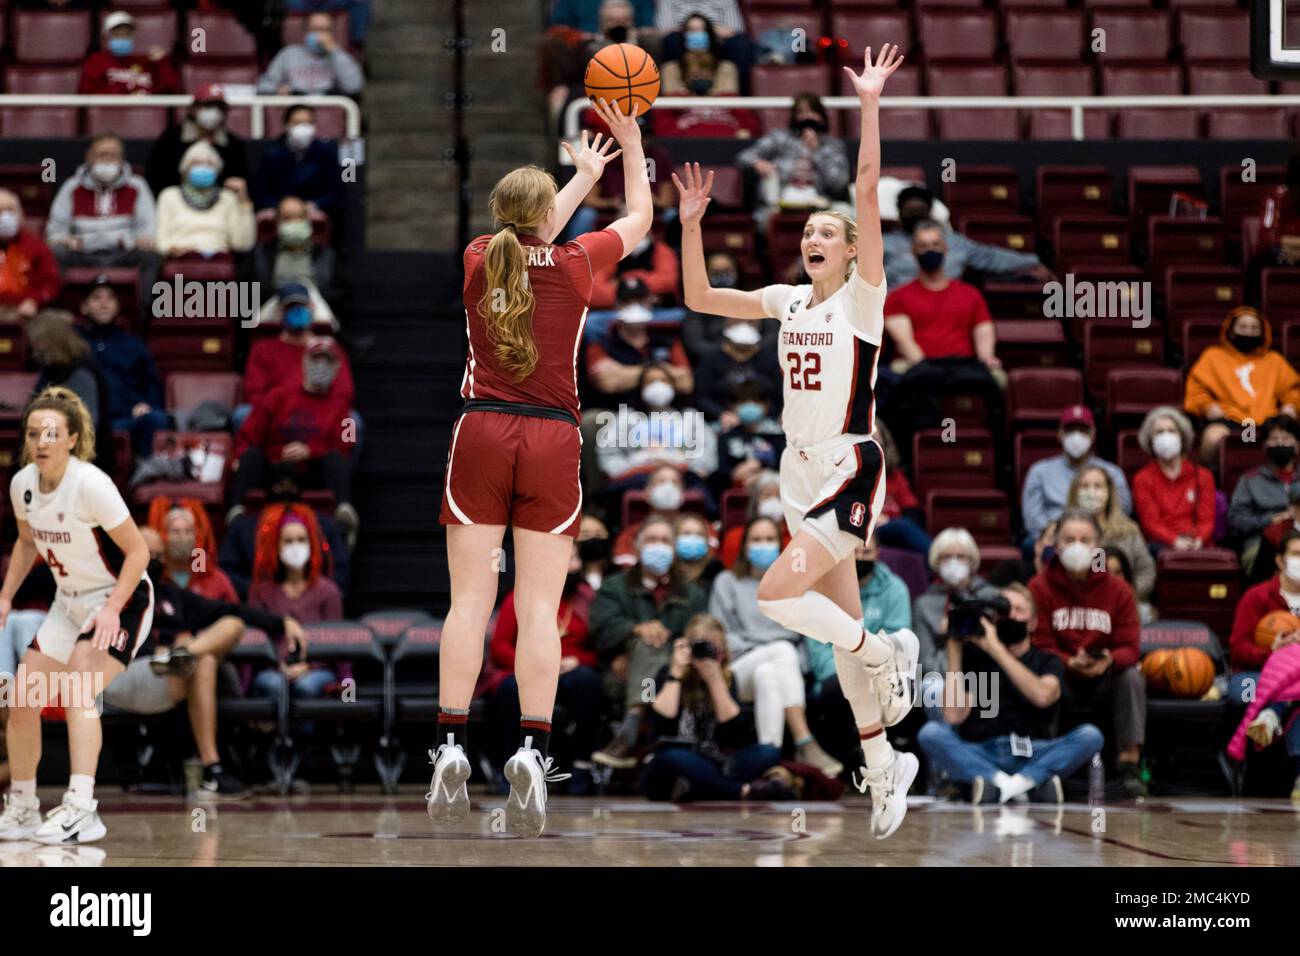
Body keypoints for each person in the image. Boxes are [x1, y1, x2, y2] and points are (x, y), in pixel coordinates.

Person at [674, 45, 921, 840]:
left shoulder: (864, 300)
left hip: (851, 463)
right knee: (837, 638)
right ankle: (884, 764)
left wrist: (871, 104)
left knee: (779, 597)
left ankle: (888, 651)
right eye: (807, 230)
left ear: (851, 249)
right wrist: (689, 227)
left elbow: (861, 190)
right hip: (796, 474)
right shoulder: (785, 300)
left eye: (828, 231)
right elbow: (700, 295)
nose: (813, 236)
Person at [431, 99, 651, 838]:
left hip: (481, 430)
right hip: (554, 437)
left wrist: (573, 179)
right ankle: (533, 747)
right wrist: (624, 148)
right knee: (537, 609)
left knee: (468, 601)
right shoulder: (581, 260)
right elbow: (642, 220)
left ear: (498, 213)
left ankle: (451, 743)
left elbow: (523, 241)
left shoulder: (476, 257)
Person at [0, 388, 154, 844]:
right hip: (69, 602)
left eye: (51, 433)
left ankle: (83, 808)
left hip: (120, 598)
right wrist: (5, 596)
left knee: (78, 685)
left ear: (71, 439)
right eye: (33, 434)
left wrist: (110, 609)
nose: (41, 442)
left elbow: (139, 551)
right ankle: (25, 806)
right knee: (24, 695)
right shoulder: (22, 484)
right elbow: (27, 543)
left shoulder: (91, 484)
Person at [103, 526, 305, 799]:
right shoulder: (109, 592)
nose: (155, 561)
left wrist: (281, 622)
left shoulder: (171, 594)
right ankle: (212, 767)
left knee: (221, 639)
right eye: (148, 554)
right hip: (123, 672)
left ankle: (212, 770)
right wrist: (156, 648)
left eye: (159, 555)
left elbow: (230, 610)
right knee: (201, 660)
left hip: (169, 671)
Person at [918, 584, 1104, 804]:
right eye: (1004, 611)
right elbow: (953, 715)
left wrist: (997, 650)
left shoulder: (1047, 660)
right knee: (930, 733)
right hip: (982, 751)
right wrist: (954, 646)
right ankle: (1024, 786)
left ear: (1033, 622)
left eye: (1019, 610)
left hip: (1033, 751)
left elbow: (1043, 696)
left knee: (1091, 735)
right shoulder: (975, 657)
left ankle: (999, 787)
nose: (1011, 616)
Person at [711, 516, 843, 776]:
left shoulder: (797, 584)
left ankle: (768, 759)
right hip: (738, 667)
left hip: (782, 670)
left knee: (768, 674)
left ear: (781, 545)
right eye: (756, 540)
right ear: (745, 547)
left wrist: (780, 656)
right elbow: (724, 637)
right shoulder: (726, 582)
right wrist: (767, 649)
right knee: (782, 650)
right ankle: (804, 739)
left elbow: (807, 633)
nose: (763, 545)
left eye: (770, 539)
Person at [1028, 508, 1147, 798]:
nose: (1077, 546)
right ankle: (1044, 765)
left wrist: (1107, 660)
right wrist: (1068, 662)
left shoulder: (1118, 589)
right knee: (1041, 672)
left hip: (1103, 675)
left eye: (1085, 539)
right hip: (1061, 674)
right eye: (1069, 539)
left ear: (1097, 546)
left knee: (1131, 676)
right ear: (1056, 546)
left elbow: (1130, 646)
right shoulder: (1039, 588)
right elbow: (1039, 642)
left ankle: (1129, 766)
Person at [590, 515, 709, 769]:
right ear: (638, 546)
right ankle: (645, 733)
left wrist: (670, 652)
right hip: (620, 674)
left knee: (650, 647)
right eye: (652, 539)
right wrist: (634, 630)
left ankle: (633, 721)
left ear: (674, 549)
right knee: (646, 643)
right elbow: (600, 631)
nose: (659, 545)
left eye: (666, 540)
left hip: (678, 673)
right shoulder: (614, 587)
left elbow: (700, 636)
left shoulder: (692, 593)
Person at [488, 538, 604, 795]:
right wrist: (532, 663)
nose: (570, 564)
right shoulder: (519, 595)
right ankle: (510, 768)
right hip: (528, 670)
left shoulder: (589, 598)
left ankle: (582, 766)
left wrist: (580, 661)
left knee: (589, 682)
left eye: (574, 558)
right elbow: (499, 647)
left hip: (570, 671)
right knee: (508, 689)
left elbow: (600, 650)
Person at [640, 614, 793, 802]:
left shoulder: (727, 678)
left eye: (713, 650)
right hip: (676, 759)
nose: (705, 655)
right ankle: (741, 791)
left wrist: (715, 680)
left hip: (714, 761)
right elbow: (661, 722)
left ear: (722, 653)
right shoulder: (668, 673)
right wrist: (676, 673)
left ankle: (700, 788)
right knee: (672, 757)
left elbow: (734, 732)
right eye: (699, 648)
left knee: (768, 752)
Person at [230, 338, 359, 545]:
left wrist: (311, 451)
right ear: (304, 364)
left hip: (312, 471)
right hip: (276, 466)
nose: (321, 367)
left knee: (336, 459)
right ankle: (237, 511)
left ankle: (344, 512)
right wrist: (240, 457)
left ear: (336, 369)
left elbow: (347, 446)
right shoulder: (278, 395)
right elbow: (249, 433)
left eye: (328, 362)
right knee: (251, 456)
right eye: (316, 360)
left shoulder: (341, 408)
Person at [808, 538, 912, 769]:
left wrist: (869, 671)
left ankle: (891, 761)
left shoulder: (895, 589)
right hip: (835, 676)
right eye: (853, 552)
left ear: (878, 554)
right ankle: (852, 762)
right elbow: (819, 652)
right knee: (836, 689)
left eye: (866, 551)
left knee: (904, 688)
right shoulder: (822, 589)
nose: (860, 557)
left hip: (882, 673)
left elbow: (898, 640)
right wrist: (854, 674)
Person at [46, 135, 160, 319]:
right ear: (89, 158)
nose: (107, 160)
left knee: (150, 256)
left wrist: (140, 239)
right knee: (56, 253)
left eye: (112, 156)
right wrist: (63, 239)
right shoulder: (71, 187)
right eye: (101, 155)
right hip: (83, 253)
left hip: (123, 252)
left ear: (122, 160)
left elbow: (148, 228)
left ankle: (143, 316)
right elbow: (55, 231)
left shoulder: (137, 185)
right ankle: (61, 315)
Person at [1225, 527, 1300, 797]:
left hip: (1295, 680)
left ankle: (1273, 718)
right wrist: (1272, 650)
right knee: (1248, 693)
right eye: (1296, 554)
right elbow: (1238, 650)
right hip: (1253, 675)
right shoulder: (1256, 597)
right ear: (1280, 560)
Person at [247, 508, 342, 710]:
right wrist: (278, 665)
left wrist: (308, 666)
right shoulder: (260, 591)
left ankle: (306, 739)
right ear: (277, 547)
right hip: (273, 669)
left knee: (307, 686)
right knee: (273, 684)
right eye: (288, 541)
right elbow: (254, 641)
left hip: (316, 669)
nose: (295, 546)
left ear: (311, 544)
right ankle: (277, 739)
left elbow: (338, 642)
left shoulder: (329, 591)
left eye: (301, 540)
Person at [883, 221, 1002, 377]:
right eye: (923, 246)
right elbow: (904, 341)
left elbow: (983, 329)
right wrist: (931, 371)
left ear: (945, 249)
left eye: (935, 244)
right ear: (914, 251)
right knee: (898, 371)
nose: (930, 250)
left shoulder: (970, 294)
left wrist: (986, 357)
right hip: (915, 366)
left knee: (997, 376)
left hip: (962, 365)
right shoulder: (897, 297)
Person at [1186, 306, 1300, 466]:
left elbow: (1293, 389)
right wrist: (1207, 406)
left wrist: (1291, 406)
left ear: (1263, 332)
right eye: (1243, 327)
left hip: (1267, 421)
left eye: (1254, 328)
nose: (1248, 332)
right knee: (1211, 438)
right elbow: (1197, 390)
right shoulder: (1213, 356)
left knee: (1290, 439)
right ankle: (1212, 485)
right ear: (1231, 330)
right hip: (1228, 418)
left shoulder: (1274, 360)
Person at [883, 185, 1049, 288]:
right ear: (899, 212)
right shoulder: (883, 244)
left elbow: (990, 256)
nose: (915, 215)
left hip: (945, 306)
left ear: (930, 212)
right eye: (910, 211)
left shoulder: (953, 242)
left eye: (920, 210)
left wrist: (1031, 262)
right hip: (897, 311)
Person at [76, 278, 169, 458]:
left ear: (117, 306)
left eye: (110, 298)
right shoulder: (74, 344)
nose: (104, 304)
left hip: (125, 418)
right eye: (96, 298)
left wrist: (146, 404)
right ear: (84, 306)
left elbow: (153, 386)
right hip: (85, 420)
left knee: (156, 418)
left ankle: (143, 475)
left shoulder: (134, 345)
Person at [240, 282, 354, 428]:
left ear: (312, 308)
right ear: (279, 312)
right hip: (274, 414)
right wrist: (281, 411)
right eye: (290, 307)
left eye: (301, 306)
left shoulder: (330, 349)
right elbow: (254, 394)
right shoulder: (262, 349)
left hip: (320, 412)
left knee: (352, 421)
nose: (296, 311)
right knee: (242, 415)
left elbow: (343, 394)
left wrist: (321, 410)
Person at [736, 92, 850, 231]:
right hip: (783, 200)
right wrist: (758, 162)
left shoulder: (832, 145)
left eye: (812, 112)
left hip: (821, 201)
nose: (807, 117)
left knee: (846, 215)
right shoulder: (780, 138)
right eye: (801, 112)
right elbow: (744, 156)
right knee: (763, 219)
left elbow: (839, 183)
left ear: (821, 117)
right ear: (794, 116)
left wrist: (817, 151)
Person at [1021, 405, 1132, 545]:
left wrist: (1094, 535)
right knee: (1032, 547)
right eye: (1070, 430)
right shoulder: (1039, 471)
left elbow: (1121, 511)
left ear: (1093, 434)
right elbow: (1033, 519)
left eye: (1083, 430)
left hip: (1102, 540)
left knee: (1104, 559)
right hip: (1052, 541)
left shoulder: (1112, 472)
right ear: (1060, 434)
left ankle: (1099, 566)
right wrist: (1057, 536)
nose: (1076, 436)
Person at [593, 363, 716, 488]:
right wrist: (630, 469)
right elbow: (608, 452)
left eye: (664, 380)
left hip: (684, 477)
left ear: (673, 386)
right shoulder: (626, 417)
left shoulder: (690, 416)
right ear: (641, 388)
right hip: (637, 478)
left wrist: (693, 470)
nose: (658, 386)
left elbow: (707, 450)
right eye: (650, 382)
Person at [912, 528, 1004, 696]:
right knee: (932, 686)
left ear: (972, 561)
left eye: (961, 557)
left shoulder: (991, 597)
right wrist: (952, 636)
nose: (954, 562)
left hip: (989, 673)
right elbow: (926, 664)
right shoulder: (923, 605)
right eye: (946, 557)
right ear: (936, 562)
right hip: (945, 679)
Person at [28, 312, 116, 478]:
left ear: (51, 342)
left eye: (37, 345)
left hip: (81, 470)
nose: (34, 352)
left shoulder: (81, 372)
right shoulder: (51, 370)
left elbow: (86, 427)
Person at [1066, 465, 1155, 611]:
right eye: (1085, 486)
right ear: (1075, 493)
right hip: (1075, 604)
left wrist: (1127, 594)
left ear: (1109, 492)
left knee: (1144, 613)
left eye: (1098, 486)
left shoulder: (1128, 530)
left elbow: (1147, 572)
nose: (1092, 492)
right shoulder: (1063, 531)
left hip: (1122, 604)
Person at [584, 285, 694, 403]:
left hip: (665, 412)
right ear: (616, 305)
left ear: (650, 302)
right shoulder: (600, 343)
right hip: (615, 412)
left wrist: (625, 374)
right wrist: (663, 371)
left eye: (640, 300)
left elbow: (686, 382)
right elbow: (607, 382)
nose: (634, 306)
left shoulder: (667, 341)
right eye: (627, 302)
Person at [1131, 406, 1216, 552]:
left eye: (1171, 431)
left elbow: (1206, 519)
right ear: (1150, 440)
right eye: (1159, 432)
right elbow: (1151, 523)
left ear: (1182, 437)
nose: (1166, 436)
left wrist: (1199, 539)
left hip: (1197, 543)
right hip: (1160, 545)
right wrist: (1174, 541)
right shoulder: (1142, 479)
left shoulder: (1203, 476)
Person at [145, 84, 251, 196]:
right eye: (207, 106)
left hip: (219, 205)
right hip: (176, 203)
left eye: (219, 107)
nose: (213, 112)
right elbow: (156, 178)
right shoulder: (171, 139)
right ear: (193, 109)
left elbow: (239, 181)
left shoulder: (233, 145)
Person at [156, 142, 256, 258]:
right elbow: (161, 241)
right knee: (179, 276)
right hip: (179, 263)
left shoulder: (227, 198)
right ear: (184, 170)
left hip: (218, 264)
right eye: (197, 163)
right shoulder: (169, 196)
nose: (203, 167)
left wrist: (244, 203)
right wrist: (171, 249)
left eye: (209, 163)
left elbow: (243, 245)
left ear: (217, 171)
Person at [1227, 414, 1300, 570]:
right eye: (1274, 439)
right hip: (1260, 543)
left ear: (1297, 445)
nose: (1280, 443)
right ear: (1265, 446)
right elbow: (1235, 519)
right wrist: (1269, 520)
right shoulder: (1250, 479)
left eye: (1286, 438)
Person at [254, 203, 339, 326]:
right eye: (287, 218)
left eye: (299, 217)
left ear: (307, 220)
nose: (294, 222)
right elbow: (252, 290)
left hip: (313, 303)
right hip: (276, 302)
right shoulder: (263, 253)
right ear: (277, 223)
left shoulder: (324, 254)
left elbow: (335, 293)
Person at [253, 105, 343, 214]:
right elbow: (260, 193)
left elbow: (334, 192)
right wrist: (282, 207)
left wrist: (314, 205)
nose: (303, 128)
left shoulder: (325, 153)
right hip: (279, 210)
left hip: (314, 210)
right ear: (286, 125)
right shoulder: (272, 154)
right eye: (297, 123)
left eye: (308, 123)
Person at [693, 317, 783, 423]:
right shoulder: (711, 359)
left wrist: (769, 412)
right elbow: (701, 397)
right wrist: (721, 414)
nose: (744, 324)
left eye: (750, 320)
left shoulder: (769, 359)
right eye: (737, 320)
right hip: (722, 421)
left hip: (766, 420)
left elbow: (780, 396)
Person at [147, 500, 239, 604]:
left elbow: (235, 613)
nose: (182, 537)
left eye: (188, 531)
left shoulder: (213, 578)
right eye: (175, 531)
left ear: (196, 537)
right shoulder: (155, 578)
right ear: (164, 536)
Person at [258, 11, 365, 96]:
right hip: (293, 111)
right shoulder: (288, 54)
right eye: (315, 29)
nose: (320, 35)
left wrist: (335, 51)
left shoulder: (339, 56)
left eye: (325, 30)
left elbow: (355, 87)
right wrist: (277, 89)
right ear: (306, 32)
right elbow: (263, 85)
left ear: (332, 33)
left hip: (328, 113)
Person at [78, 10, 180, 96]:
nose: (123, 37)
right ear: (106, 37)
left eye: (127, 34)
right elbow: (86, 94)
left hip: (145, 116)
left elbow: (173, 88)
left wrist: (162, 63)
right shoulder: (96, 62)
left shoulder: (144, 62)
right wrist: (124, 93)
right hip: (110, 116)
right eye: (117, 34)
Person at [714, 379, 785, 498]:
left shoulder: (777, 435)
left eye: (756, 401)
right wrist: (736, 473)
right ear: (733, 407)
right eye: (743, 402)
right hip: (737, 485)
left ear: (766, 406)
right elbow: (722, 469)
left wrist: (758, 468)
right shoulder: (726, 437)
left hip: (772, 484)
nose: (750, 405)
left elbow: (783, 465)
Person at [0, 190, 61, 321]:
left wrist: (34, 301)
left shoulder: (36, 246)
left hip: (27, 312)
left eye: (10, 211)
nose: (5, 217)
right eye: (0, 211)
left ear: (21, 215)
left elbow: (51, 283)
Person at [672, 512, 722, 590]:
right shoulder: (668, 572)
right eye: (686, 533)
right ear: (674, 539)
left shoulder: (716, 572)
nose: (693, 538)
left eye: (699, 534)